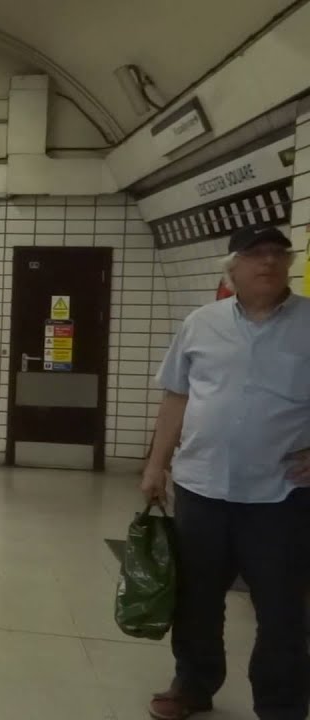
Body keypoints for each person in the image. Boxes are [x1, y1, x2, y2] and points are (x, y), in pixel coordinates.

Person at [142, 226, 310, 720]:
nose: (269, 262)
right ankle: (193, 685)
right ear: (232, 268)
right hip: (202, 487)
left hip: (282, 494)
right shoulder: (201, 324)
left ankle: (281, 705)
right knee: (196, 598)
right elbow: (176, 395)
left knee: (281, 607)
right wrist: (156, 464)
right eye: (256, 254)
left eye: (278, 253)